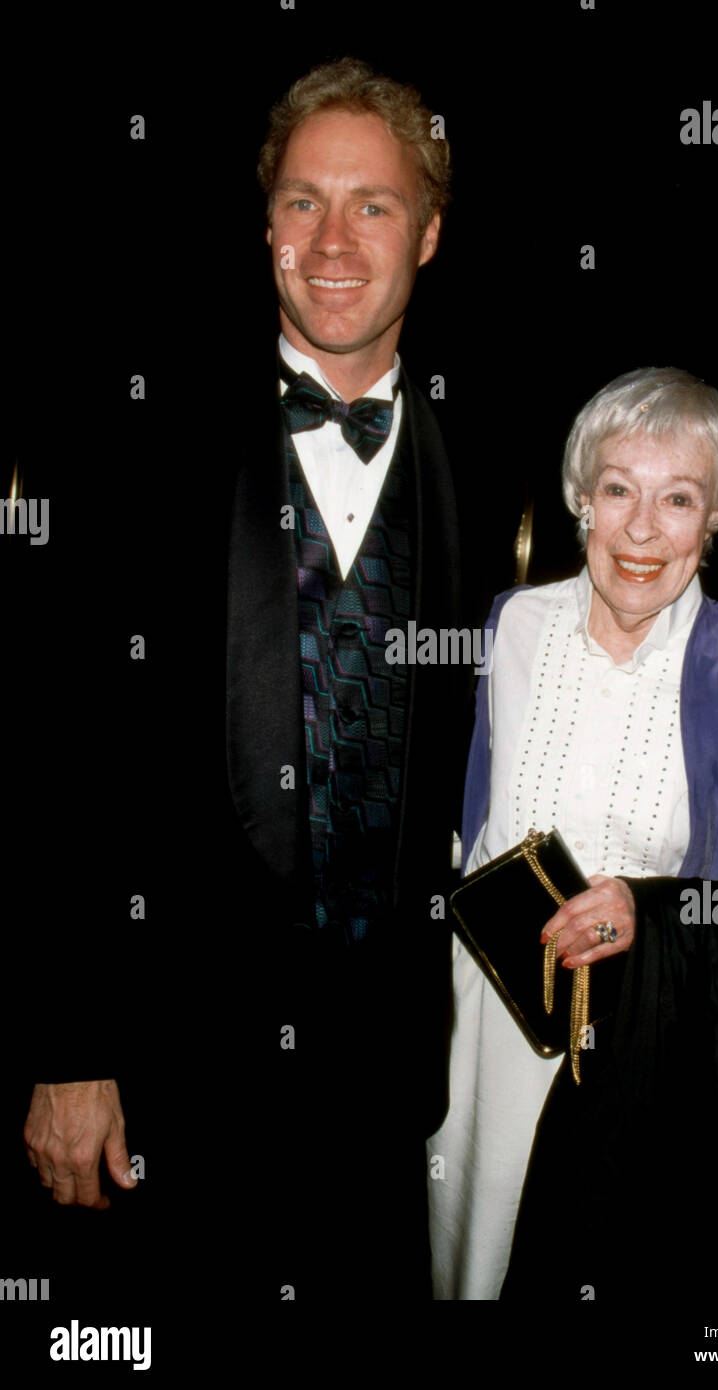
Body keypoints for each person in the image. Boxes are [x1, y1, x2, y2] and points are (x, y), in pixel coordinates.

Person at [24, 58, 464, 1301]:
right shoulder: (138, 434)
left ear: (428, 234)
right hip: (173, 1073)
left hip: (386, 1091)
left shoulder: (493, 467)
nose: (333, 240)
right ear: (263, 220)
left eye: (373, 205)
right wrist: (69, 1043)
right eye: (301, 201)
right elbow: (55, 740)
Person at [427, 366, 718, 1302]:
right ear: (582, 498)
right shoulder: (507, 629)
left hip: (642, 1062)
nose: (643, 529)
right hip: (481, 1046)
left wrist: (654, 915)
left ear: (717, 518)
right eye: (618, 489)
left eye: (679, 498)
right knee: (468, 1268)